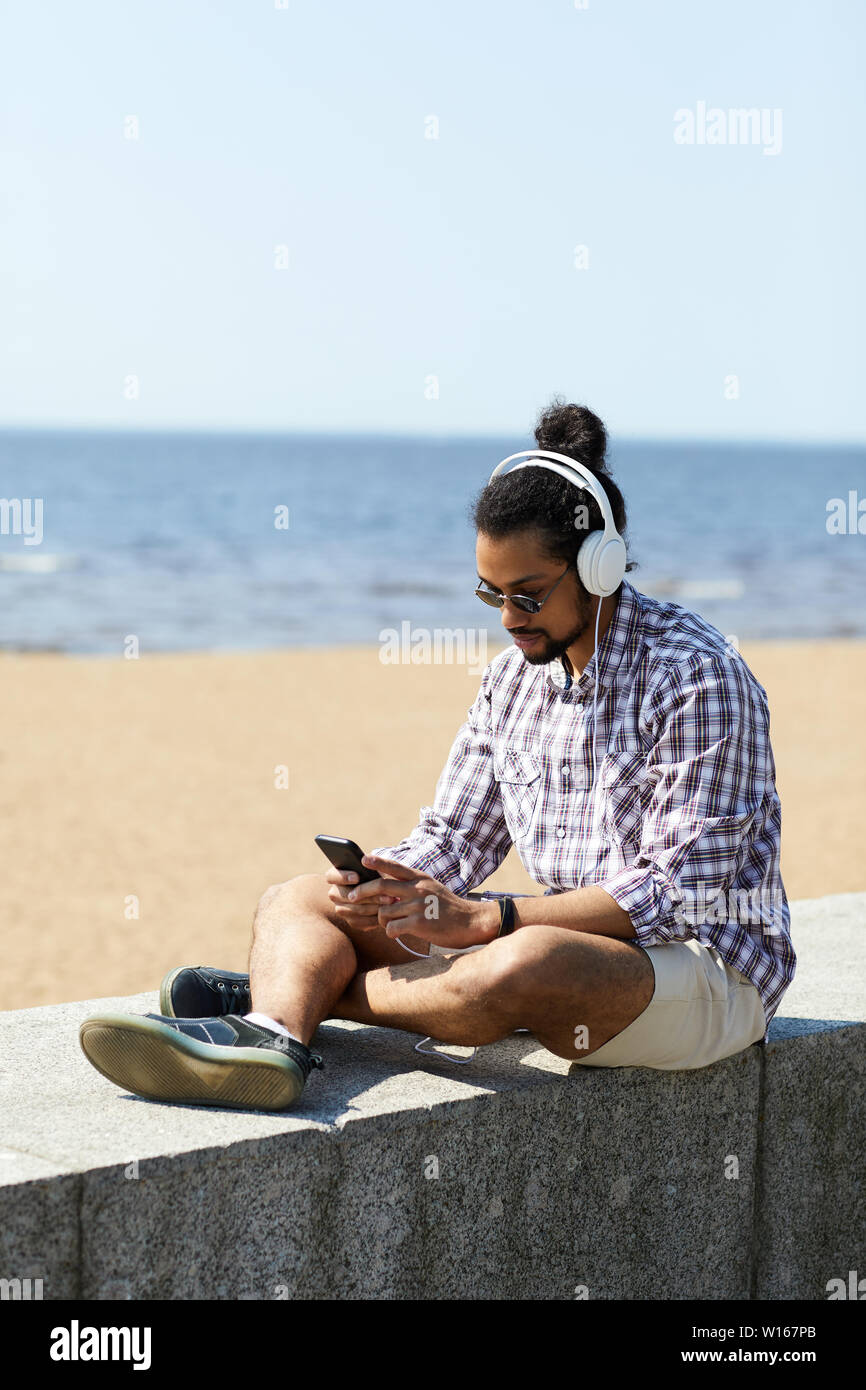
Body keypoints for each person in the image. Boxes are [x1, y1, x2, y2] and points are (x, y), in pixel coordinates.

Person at [79, 399, 796, 1111]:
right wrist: (389, 886)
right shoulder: (513, 678)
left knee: (526, 960)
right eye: (492, 593)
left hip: (708, 971)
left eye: (528, 595)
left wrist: (496, 920)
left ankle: (315, 992)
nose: (509, 618)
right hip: (558, 936)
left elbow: (679, 895)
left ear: (599, 568)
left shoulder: (697, 676)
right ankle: (276, 1034)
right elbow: (456, 837)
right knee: (296, 899)